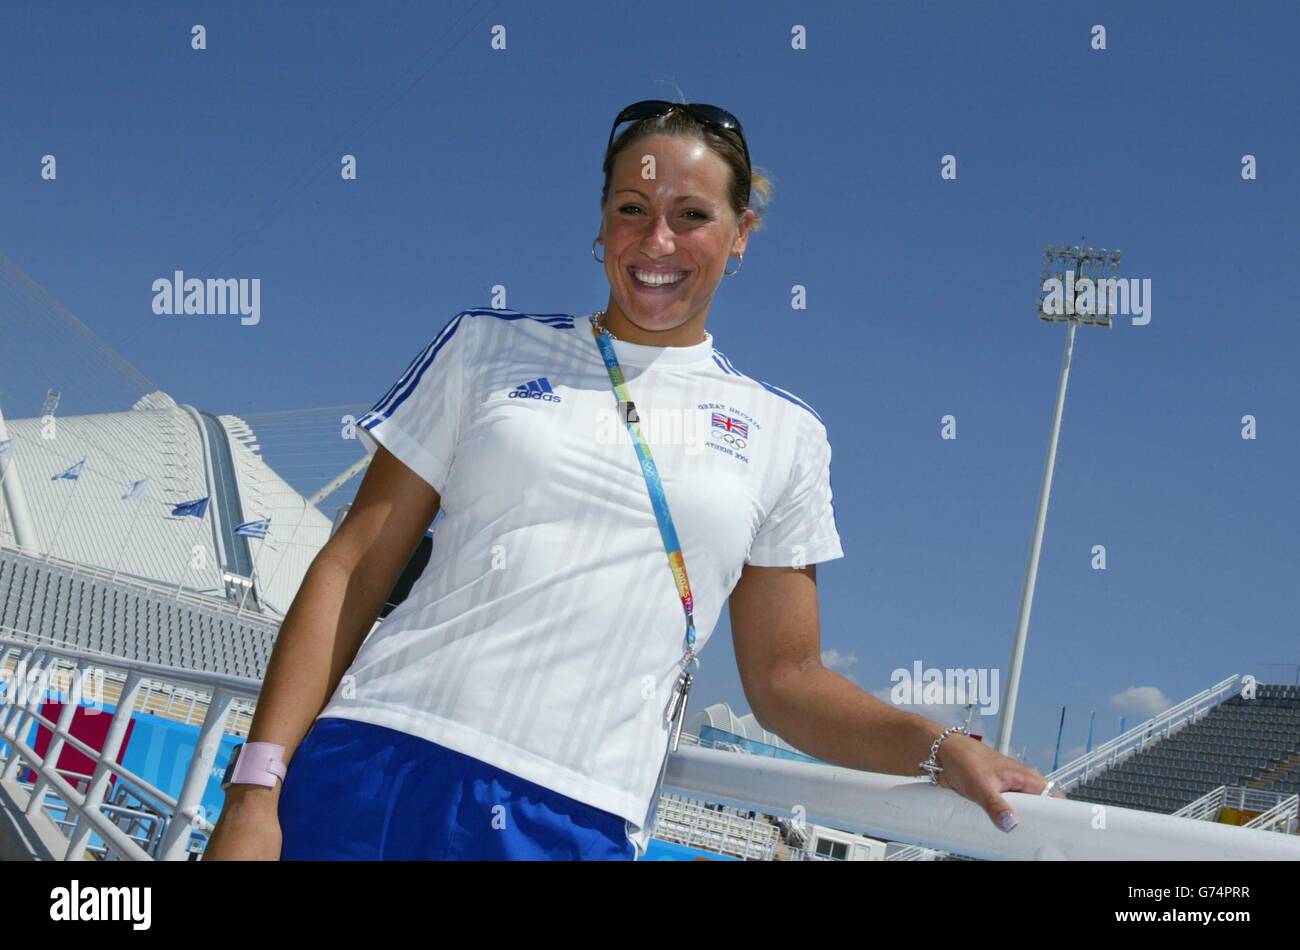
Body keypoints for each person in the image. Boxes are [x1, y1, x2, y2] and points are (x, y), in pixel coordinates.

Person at [204, 98, 1059, 862]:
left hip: (573, 813)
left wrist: (937, 745)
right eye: (631, 209)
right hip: (377, 759)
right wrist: (255, 787)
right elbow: (353, 569)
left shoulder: (786, 435)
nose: (657, 243)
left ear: (739, 235)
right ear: (601, 222)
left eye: (691, 215)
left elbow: (787, 680)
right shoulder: (485, 349)